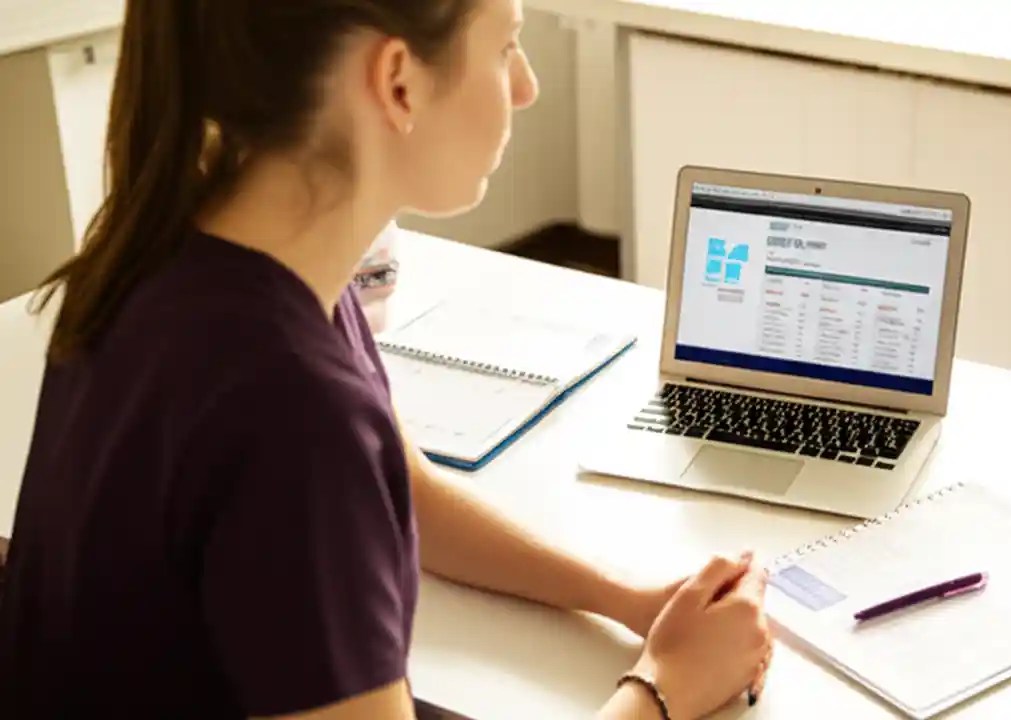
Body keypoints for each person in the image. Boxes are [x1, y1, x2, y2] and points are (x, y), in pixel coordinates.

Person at [0, 1, 774, 718]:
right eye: (505, 47)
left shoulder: (201, 257)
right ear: (398, 81)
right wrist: (664, 689)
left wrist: (628, 596)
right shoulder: (294, 414)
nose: (526, 85)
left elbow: (412, 494)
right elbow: (330, 467)